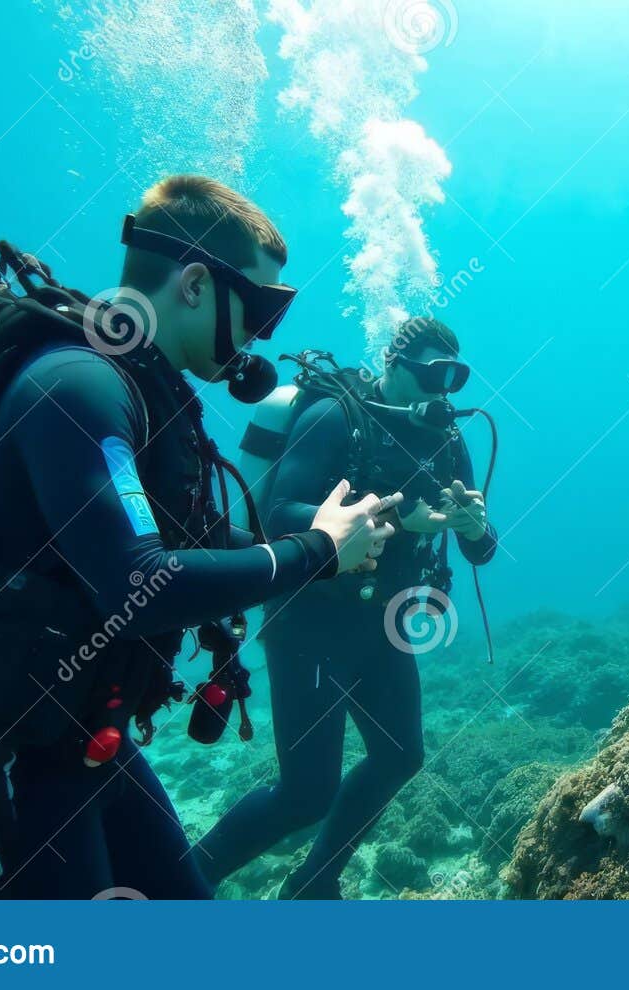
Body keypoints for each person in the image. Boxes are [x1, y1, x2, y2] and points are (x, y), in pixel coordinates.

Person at [0, 176, 400, 899]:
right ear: (194, 284)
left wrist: (327, 543)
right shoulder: (79, 384)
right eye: (260, 307)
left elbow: (199, 537)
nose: (263, 336)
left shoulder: (144, 396)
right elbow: (141, 586)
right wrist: (314, 551)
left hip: (84, 738)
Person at [194, 316, 498, 899]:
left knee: (400, 756)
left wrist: (476, 528)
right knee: (306, 794)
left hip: (383, 624)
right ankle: (179, 880)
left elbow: (479, 551)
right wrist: (389, 514)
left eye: (454, 378)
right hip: (310, 620)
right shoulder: (335, 419)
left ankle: (313, 883)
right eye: (432, 374)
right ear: (392, 364)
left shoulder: (449, 442)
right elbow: (280, 513)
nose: (442, 391)